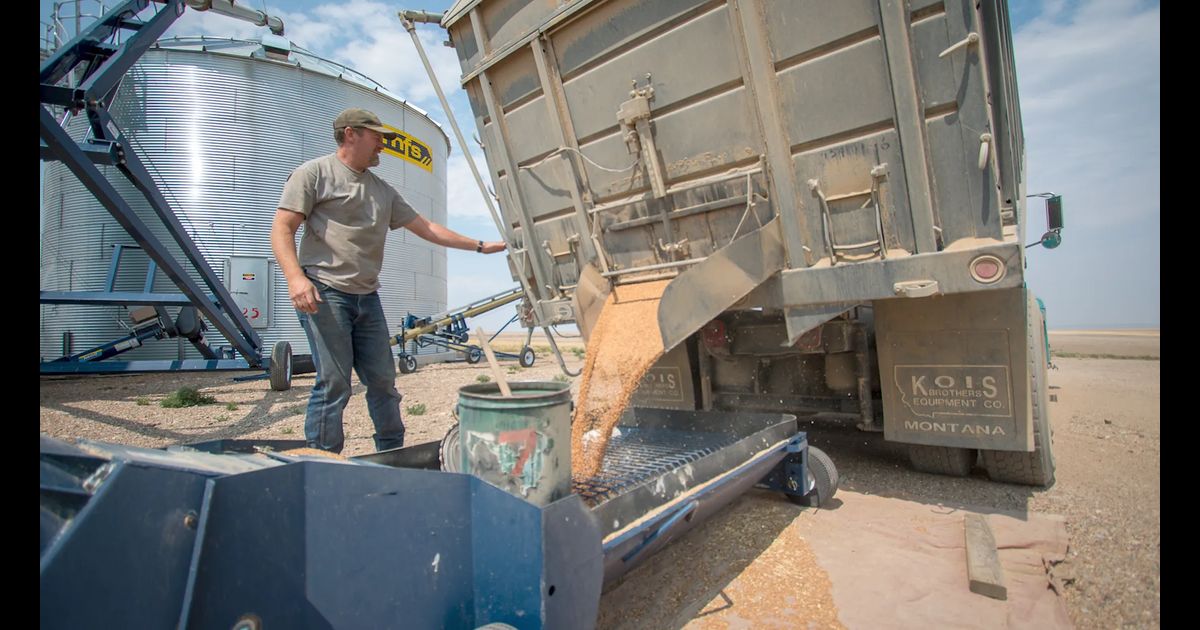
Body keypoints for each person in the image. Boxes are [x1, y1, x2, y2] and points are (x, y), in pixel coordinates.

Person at [271, 107, 506, 454]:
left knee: (383, 380)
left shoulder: (382, 191)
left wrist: (481, 246)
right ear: (351, 134)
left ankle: (392, 455)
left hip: (366, 297)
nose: (383, 144)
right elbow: (282, 228)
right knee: (334, 383)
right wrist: (295, 278)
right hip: (324, 292)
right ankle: (321, 461)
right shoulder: (314, 174)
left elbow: (427, 228)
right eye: (377, 136)